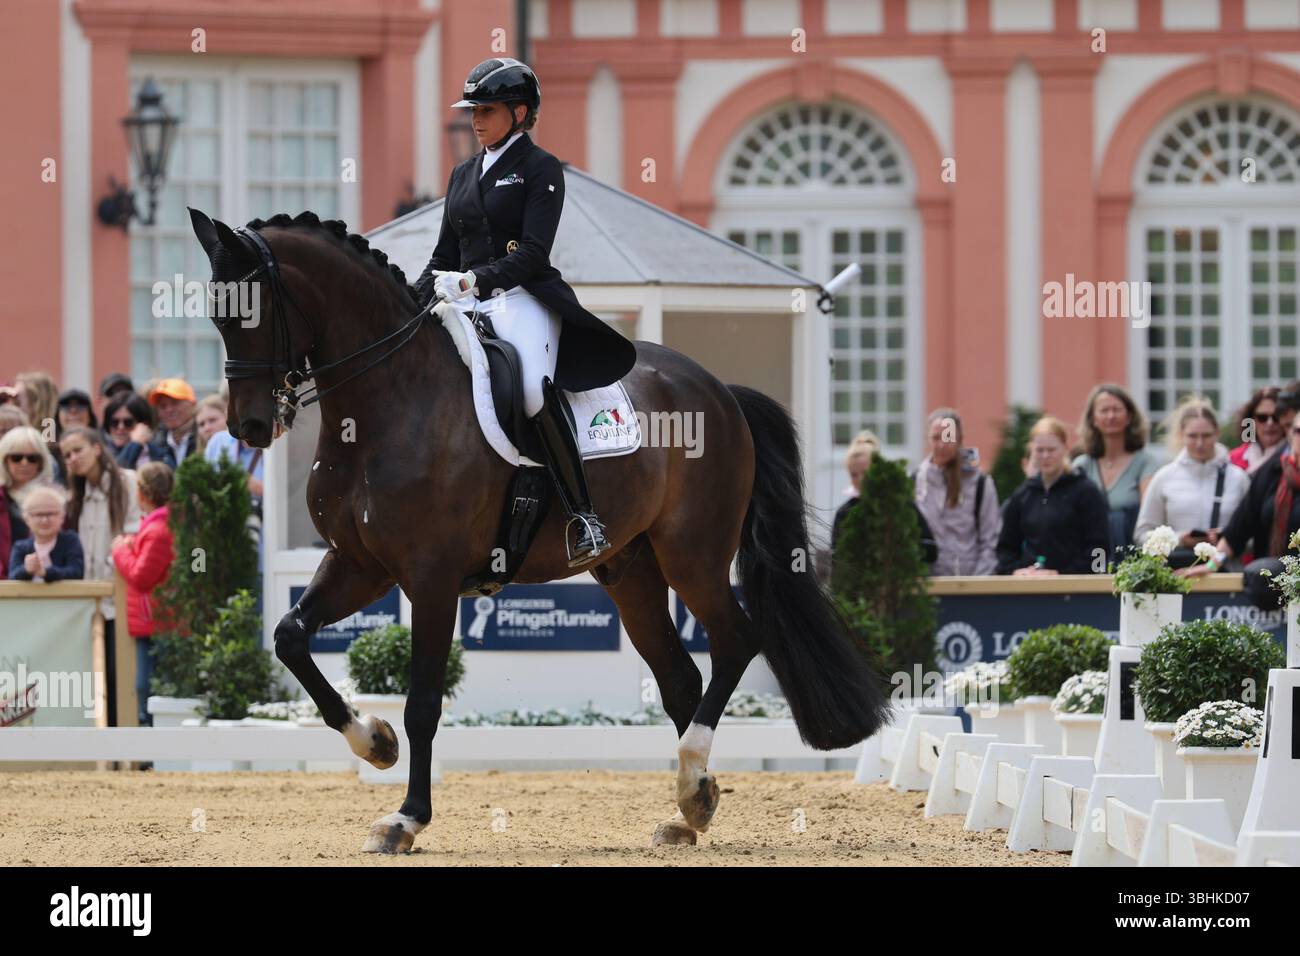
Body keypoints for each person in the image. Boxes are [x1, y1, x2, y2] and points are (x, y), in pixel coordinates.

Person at [412, 57, 636, 567]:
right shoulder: (463, 173)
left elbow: (534, 252)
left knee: (533, 388)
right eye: (472, 110)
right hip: (466, 301)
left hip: (523, 299)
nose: (475, 120)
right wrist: (414, 298)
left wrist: (476, 279)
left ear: (518, 113)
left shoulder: (540, 168)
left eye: (486, 110)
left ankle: (584, 516)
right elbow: (444, 255)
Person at [61, 426, 142, 726]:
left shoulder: (129, 482)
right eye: (67, 455)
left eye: (78, 450)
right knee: (97, 680)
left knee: (123, 677)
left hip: (123, 598)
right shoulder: (77, 496)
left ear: (97, 448)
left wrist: (114, 561)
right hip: (90, 604)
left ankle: (127, 750)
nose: (72, 459)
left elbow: (136, 533)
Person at [1189, 406, 1300, 606]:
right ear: (1290, 433)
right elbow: (1239, 528)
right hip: (1273, 587)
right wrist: (1212, 564)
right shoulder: (1274, 470)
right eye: (1297, 430)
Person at [1134, 398, 1248, 567]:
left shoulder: (1238, 478)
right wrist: (1178, 539)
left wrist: (1228, 538)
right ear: (1181, 435)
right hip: (1175, 574)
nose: (1200, 443)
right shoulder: (1164, 477)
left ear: (1217, 433)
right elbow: (1142, 535)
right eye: (1192, 436)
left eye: (1206, 435)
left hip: (1226, 574)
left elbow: (1255, 534)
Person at [996, 416, 1110, 575]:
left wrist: (1062, 573)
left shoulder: (1086, 492)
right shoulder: (1023, 495)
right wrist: (1016, 570)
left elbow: (1099, 549)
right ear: (1031, 451)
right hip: (1031, 586)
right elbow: (1005, 548)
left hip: (1077, 588)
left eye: (1051, 450)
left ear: (1065, 448)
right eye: (1039, 450)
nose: (1045, 456)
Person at [112, 462, 176, 727]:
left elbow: (141, 576)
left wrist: (119, 549)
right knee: (148, 687)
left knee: (148, 688)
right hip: (153, 621)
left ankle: (152, 754)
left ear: (142, 493)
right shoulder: (157, 525)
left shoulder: (158, 529)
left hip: (156, 622)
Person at [1072, 384, 1162, 554]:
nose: (1111, 416)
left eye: (1116, 409)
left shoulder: (1146, 462)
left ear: (1129, 416)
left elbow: (1149, 514)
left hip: (1131, 555)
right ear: (1093, 419)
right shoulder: (1081, 465)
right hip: (1088, 556)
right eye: (1104, 410)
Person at [913, 408, 1000, 575]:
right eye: (936, 437)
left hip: (970, 584)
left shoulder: (980, 483)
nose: (942, 445)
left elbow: (990, 540)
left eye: (948, 437)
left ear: (960, 439)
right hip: (927, 586)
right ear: (928, 440)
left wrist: (978, 585)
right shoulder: (914, 481)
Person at [8, 485, 84, 582]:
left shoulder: (70, 541)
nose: (44, 520)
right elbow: (12, 576)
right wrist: (26, 569)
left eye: (50, 514)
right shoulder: (20, 547)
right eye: (38, 514)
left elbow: (76, 573)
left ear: (62, 516)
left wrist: (45, 572)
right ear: (26, 518)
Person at [1229, 387, 1288, 476]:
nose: (1270, 423)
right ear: (1251, 421)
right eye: (1262, 418)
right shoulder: (1233, 459)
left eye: (1276, 417)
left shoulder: (1294, 458)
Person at [102, 390, 164, 467]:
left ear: (143, 424)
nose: (120, 427)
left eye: (128, 422)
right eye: (114, 422)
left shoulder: (160, 451)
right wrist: (135, 445)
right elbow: (117, 473)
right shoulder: (102, 455)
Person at [0, 425, 56, 510]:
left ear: (41, 462)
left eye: (32, 458)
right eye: (16, 458)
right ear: (5, 461)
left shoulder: (55, 498)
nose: (24, 463)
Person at [148, 378, 199, 467]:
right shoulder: (154, 444)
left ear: (192, 404)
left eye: (175, 403)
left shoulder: (205, 436)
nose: (169, 410)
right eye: (163, 406)